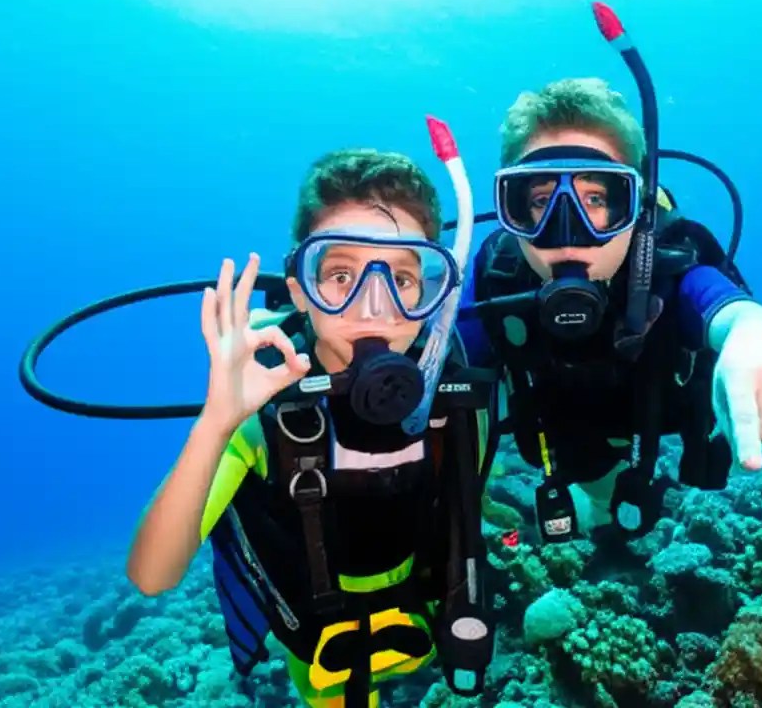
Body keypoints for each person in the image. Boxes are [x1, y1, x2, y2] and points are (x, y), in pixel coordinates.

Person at [126, 141, 497, 707]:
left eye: (402, 277)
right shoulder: (262, 409)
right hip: (318, 652)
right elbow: (152, 577)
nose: (376, 308)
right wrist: (219, 423)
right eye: (342, 275)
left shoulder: (455, 391)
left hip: (424, 628)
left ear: (432, 292)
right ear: (299, 288)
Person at [458, 77, 762, 543]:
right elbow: (446, 359)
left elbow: (730, 311)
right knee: (596, 492)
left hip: (652, 414)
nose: (567, 229)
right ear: (511, 210)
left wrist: (760, 333)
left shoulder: (669, 265)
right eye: (538, 201)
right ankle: (595, 500)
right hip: (569, 437)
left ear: (635, 207)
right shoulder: (498, 273)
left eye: (596, 199)